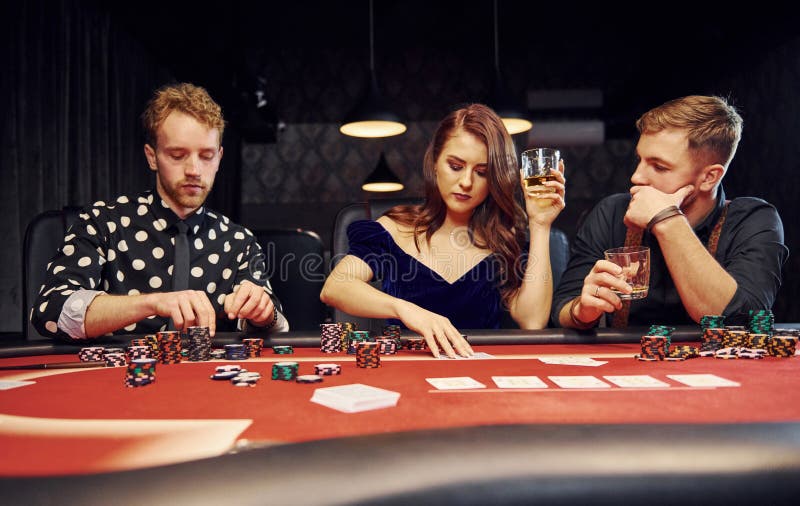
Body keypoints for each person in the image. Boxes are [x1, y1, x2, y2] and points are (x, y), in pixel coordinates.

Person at [32, 82, 289, 340]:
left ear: (220, 158)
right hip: (116, 378)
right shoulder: (101, 222)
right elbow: (52, 310)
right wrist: (153, 303)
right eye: (178, 155)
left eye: (207, 156)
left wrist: (264, 312)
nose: (194, 170)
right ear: (152, 156)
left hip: (205, 378)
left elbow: (274, 326)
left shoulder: (239, 242)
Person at [320, 103, 566, 358]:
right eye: (456, 166)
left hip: (478, 374)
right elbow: (335, 287)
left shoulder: (503, 240)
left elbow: (532, 321)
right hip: (407, 373)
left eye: (482, 172)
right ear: (435, 162)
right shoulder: (395, 228)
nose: (467, 182)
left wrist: (540, 224)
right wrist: (405, 309)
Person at [553, 95, 788, 329]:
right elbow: (560, 309)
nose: (637, 177)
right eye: (640, 160)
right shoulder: (612, 212)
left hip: (720, 364)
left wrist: (666, 218)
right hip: (630, 363)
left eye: (659, 167)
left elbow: (742, 318)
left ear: (709, 177)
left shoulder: (754, 219)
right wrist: (581, 311)